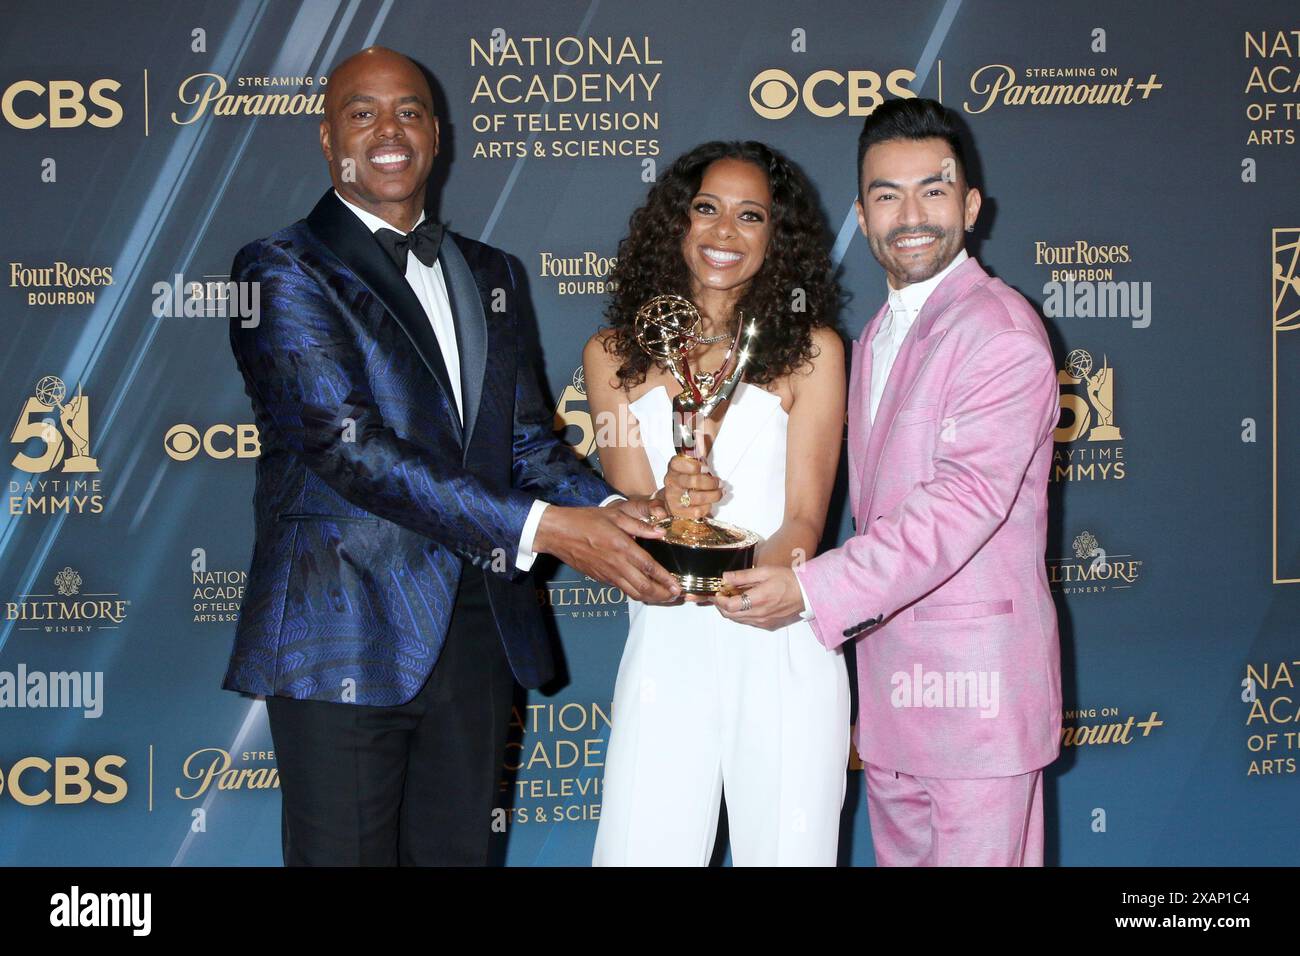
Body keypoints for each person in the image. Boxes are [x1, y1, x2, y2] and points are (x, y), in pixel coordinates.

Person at [224, 46, 679, 867]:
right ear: (329, 140)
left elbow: (525, 440)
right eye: (362, 113)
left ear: (437, 134)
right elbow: (351, 450)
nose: (388, 130)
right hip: (343, 635)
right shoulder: (279, 268)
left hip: (477, 634)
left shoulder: (489, 271)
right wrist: (548, 527)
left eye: (409, 111)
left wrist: (612, 510)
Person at [701, 99, 1062, 866]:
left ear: (969, 206)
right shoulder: (870, 342)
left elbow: (962, 504)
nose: (912, 215)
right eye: (887, 195)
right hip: (896, 704)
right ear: (862, 218)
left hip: (978, 708)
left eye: (932, 190)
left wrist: (811, 590)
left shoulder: (998, 332)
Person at [585, 141, 850, 866]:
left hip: (780, 639)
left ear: (776, 237)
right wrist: (667, 510)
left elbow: (804, 520)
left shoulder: (814, 352)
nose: (724, 232)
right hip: (667, 643)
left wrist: (746, 588)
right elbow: (628, 509)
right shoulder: (612, 354)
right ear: (677, 221)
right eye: (707, 208)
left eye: (750, 215)